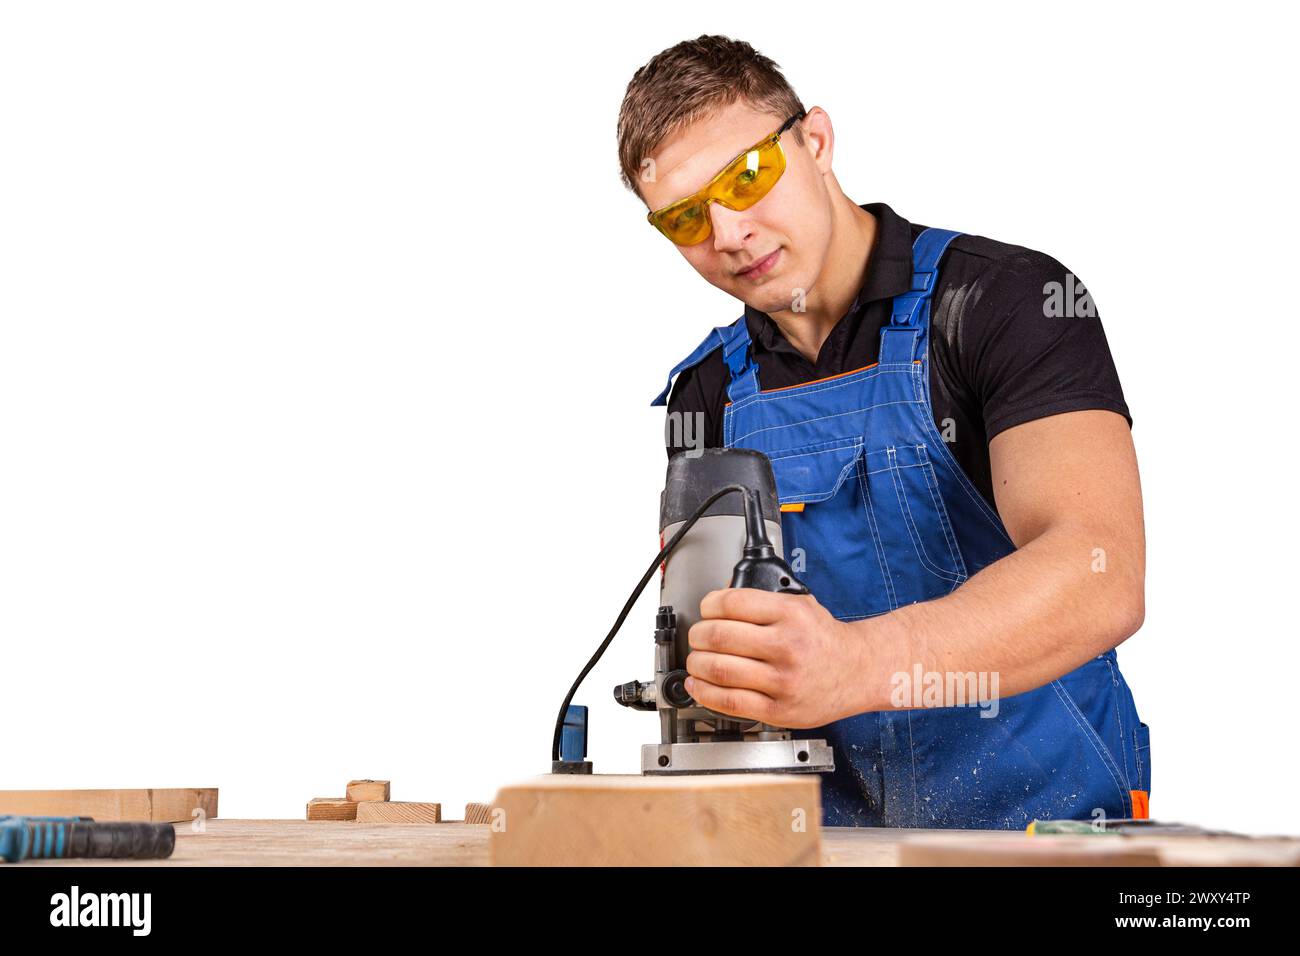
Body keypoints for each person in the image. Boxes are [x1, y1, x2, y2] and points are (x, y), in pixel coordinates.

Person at [618, 35, 1150, 828]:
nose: (727, 233)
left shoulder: (1006, 303)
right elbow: (714, 658)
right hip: (826, 845)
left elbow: (1098, 573)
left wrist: (857, 666)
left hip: (1047, 832)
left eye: (748, 178)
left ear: (817, 141)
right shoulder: (706, 393)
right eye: (686, 218)